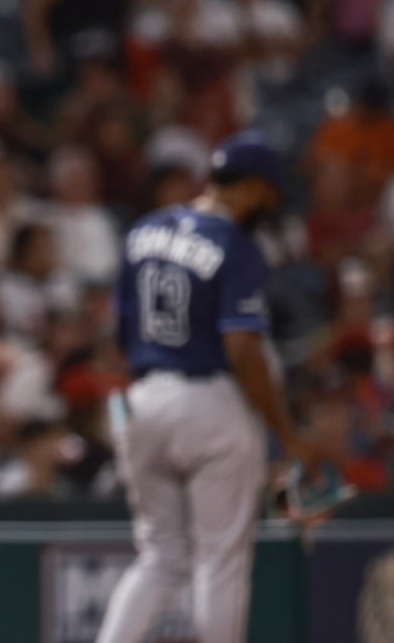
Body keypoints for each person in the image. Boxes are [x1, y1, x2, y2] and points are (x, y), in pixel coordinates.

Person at [95, 131, 310, 643]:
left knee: (160, 557)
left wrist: (136, 410)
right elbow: (241, 349)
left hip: (141, 400)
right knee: (220, 560)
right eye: (271, 194)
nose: (272, 206)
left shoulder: (142, 231)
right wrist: (286, 431)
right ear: (254, 186)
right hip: (210, 401)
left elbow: (121, 338)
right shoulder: (236, 245)